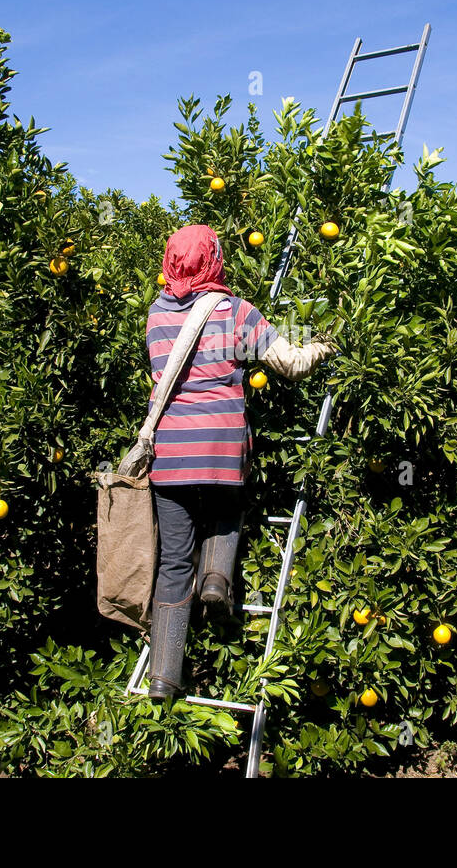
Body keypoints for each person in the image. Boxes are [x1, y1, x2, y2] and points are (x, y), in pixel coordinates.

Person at [144, 224, 335, 700]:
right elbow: (289, 365)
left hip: (169, 455)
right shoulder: (235, 312)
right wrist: (325, 346)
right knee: (230, 505)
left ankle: (164, 677)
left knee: (171, 562)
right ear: (215, 259)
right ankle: (216, 579)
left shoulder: (155, 315)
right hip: (222, 446)